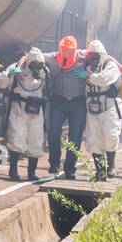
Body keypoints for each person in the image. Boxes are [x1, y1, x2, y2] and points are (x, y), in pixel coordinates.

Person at [0, 48, 48, 181]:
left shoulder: (44, 72)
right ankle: (13, 171)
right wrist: (10, 74)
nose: (36, 67)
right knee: (16, 138)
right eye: (34, 64)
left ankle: (32, 173)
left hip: (36, 110)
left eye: (39, 64)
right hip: (19, 108)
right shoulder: (17, 69)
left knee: (36, 141)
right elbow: (1, 83)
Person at [42, 34, 86, 180]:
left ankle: (70, 168)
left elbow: (104, 55)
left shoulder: (83, 56)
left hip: (77, 102)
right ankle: (54, 163)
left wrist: (121, 66)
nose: (66, 52)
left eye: (69, 50)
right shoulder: (53, 58)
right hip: (58, 100)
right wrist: (19, 66)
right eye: (64, 49)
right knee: (53, 131)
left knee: (75, 136)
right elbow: (32, 56)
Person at [82, 39, 122, 181]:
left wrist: (88, 76)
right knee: (93, 140)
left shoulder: (110, 66)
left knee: (110, 138)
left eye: (95, 55)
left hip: (109, 107)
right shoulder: (85, 67)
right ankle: (100, 171)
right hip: (92, 107)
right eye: (90, 55)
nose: (93, 58)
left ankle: (111, 166)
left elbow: (103, 79)